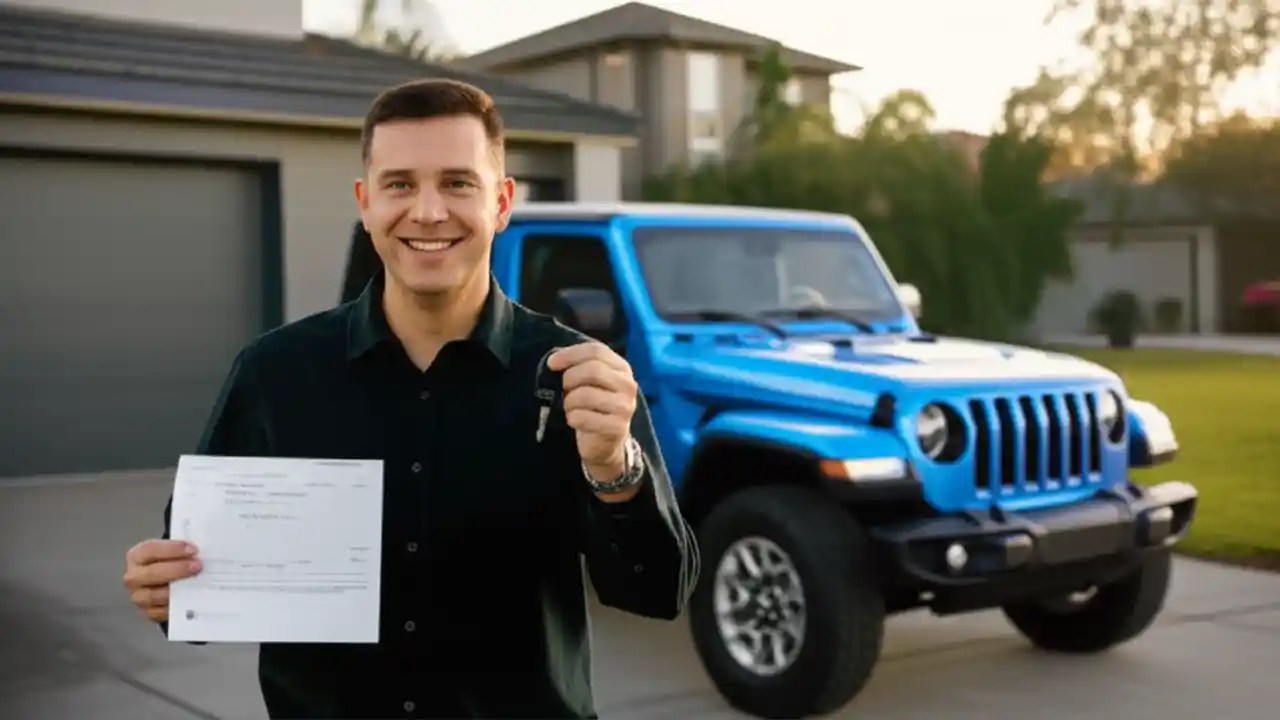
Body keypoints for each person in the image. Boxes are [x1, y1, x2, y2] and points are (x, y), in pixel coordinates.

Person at [121, 78, 700, 719]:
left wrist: (615, 472)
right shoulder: (276, 373)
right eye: (400, 184)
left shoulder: (578, 379)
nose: (427, 212)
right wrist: (166, 588)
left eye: (458, 182)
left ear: (502, 202)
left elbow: (659, 592)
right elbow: (200, 585)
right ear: (365, 204)